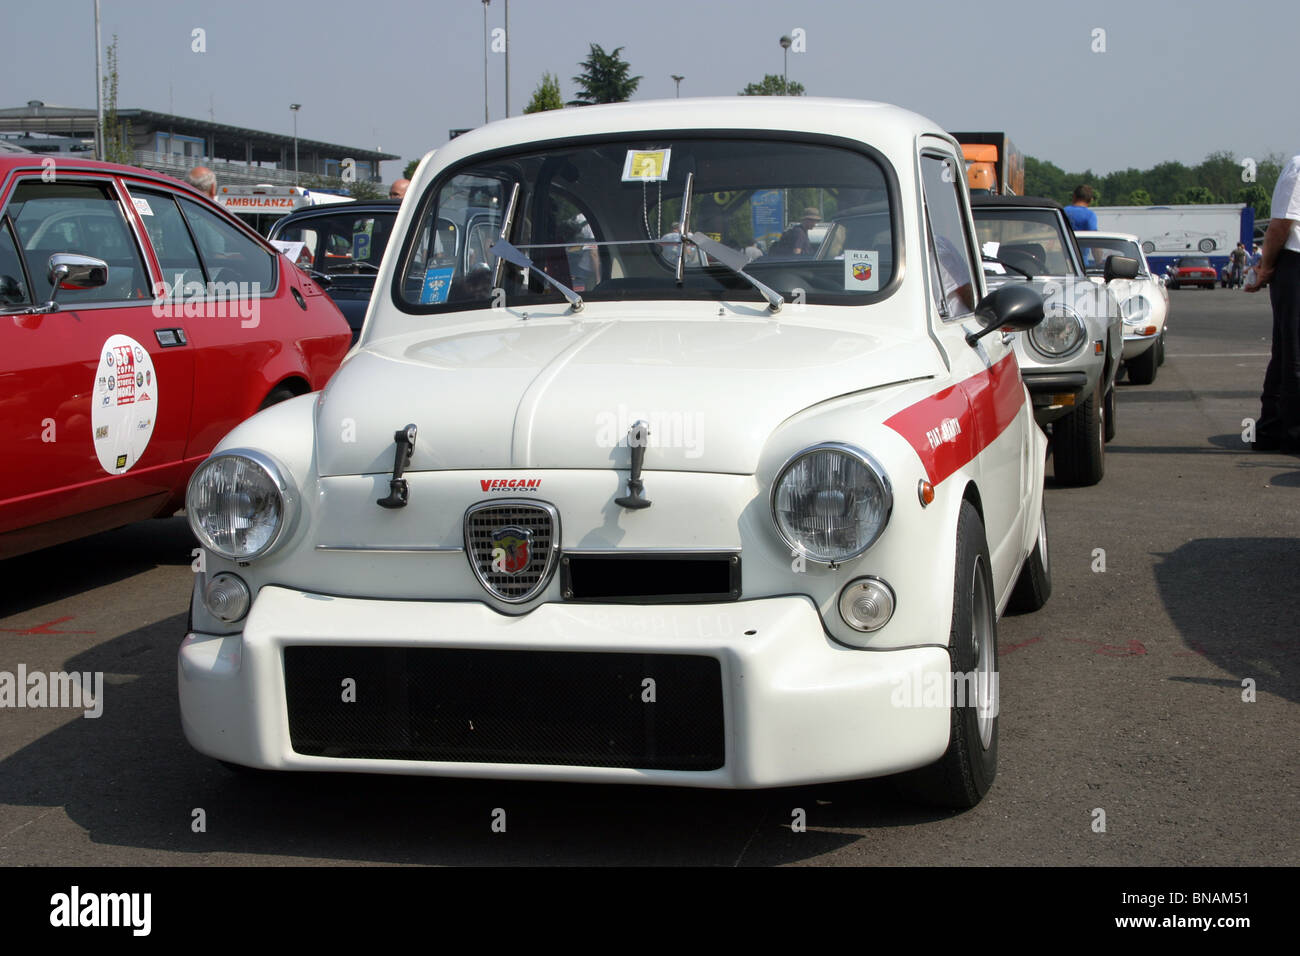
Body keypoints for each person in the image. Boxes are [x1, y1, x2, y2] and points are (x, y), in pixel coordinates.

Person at [1245, 153, 1300, 451]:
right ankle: (1289, 432)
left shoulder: (1297, 166)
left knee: (1289, 350)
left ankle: (1274, 428)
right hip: (1295, 262)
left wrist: (1265, 267)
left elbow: (1280, 226)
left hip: (1294, 263)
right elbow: (1281, 225)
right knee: (1291, 352)